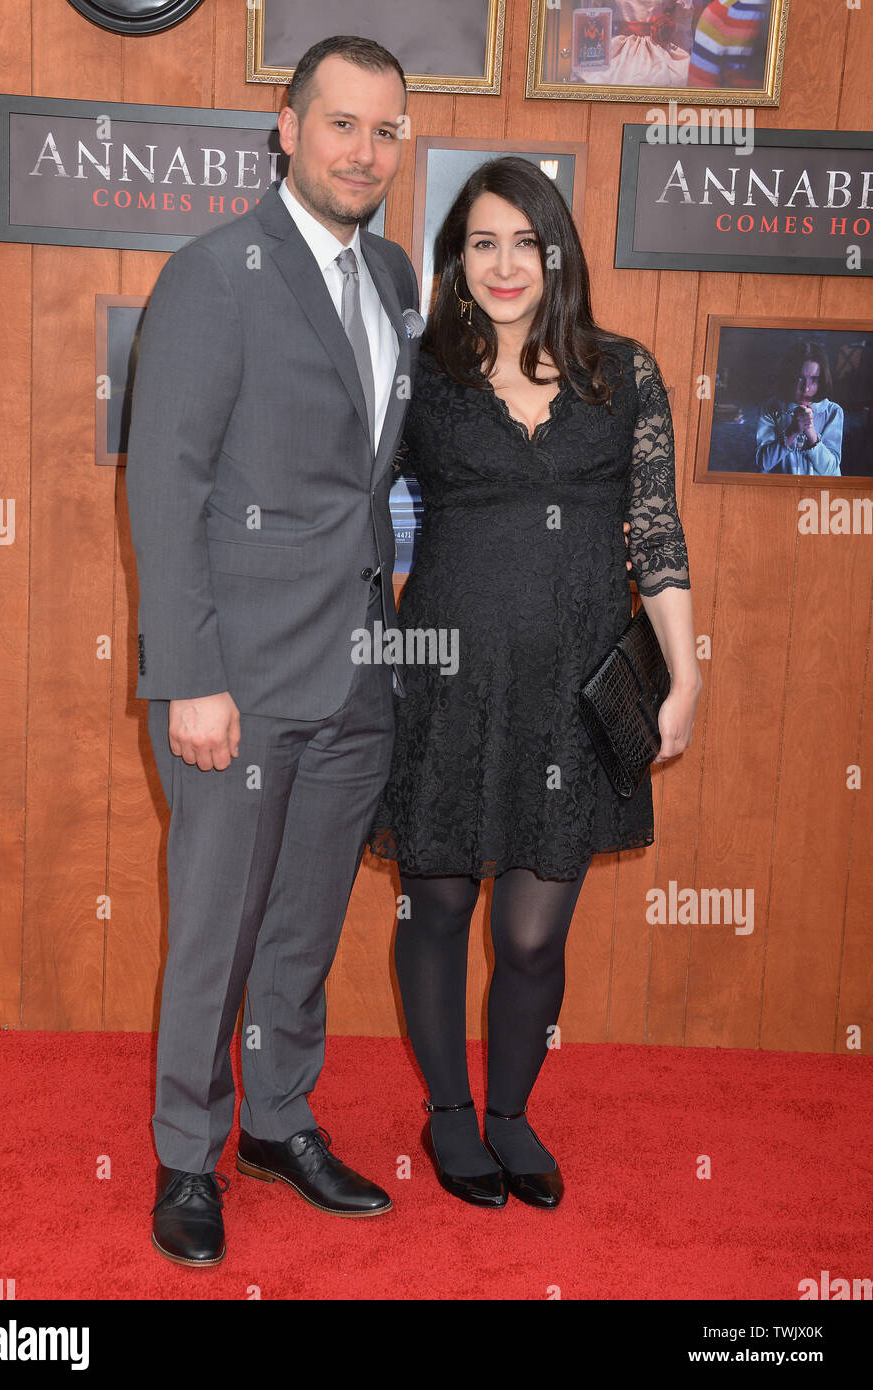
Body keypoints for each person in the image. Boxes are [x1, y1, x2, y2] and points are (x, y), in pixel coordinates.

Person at [126, 35, 422, 1266]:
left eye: (384, 131)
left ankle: (279, 1120)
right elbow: (165, 486)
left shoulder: (398, 277)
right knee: (218, 927)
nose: (363, 150)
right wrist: (189, 675)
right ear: (286, 129)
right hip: (233, 680)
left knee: (301, 926)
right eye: (340, 124)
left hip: (357, 673)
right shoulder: (214, 275)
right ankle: (188, 1152)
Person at [367, 156, 701, 1208]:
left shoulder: (622, 372)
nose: (503, 263)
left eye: (524, 241)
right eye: (480, 243)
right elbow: (351, 516)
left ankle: (509, 1111)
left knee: (528, 929)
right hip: (444, 678)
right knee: (435, 901)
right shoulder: (416, 375)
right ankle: (449, 1114)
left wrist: (682, 677)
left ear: (556, 253)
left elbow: (654, 532)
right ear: (454, 261)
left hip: (570, 685)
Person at [755, 340, 844, 476]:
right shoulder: (770, 408)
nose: (806, 388)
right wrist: (792, 432)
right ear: (788, 377)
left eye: (814, 379)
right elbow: (763, 463)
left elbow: (830, 470)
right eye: (800, 378)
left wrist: (811, 433)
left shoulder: (833, 411)